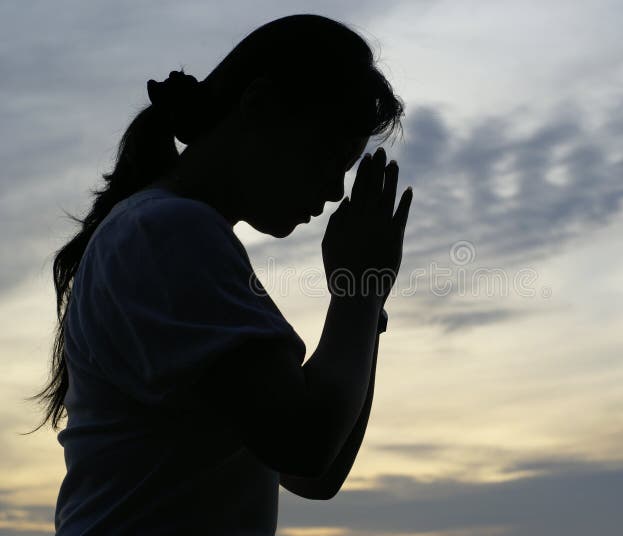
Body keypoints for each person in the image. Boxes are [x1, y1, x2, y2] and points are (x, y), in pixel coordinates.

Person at [26, 13, 412, 535]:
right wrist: (358, 295)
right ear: (260, 109)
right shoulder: (168, 234)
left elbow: (316, 474)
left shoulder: (171, 234)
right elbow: (305, 447)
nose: (335, 189)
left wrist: (367, 295)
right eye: (329, 154)